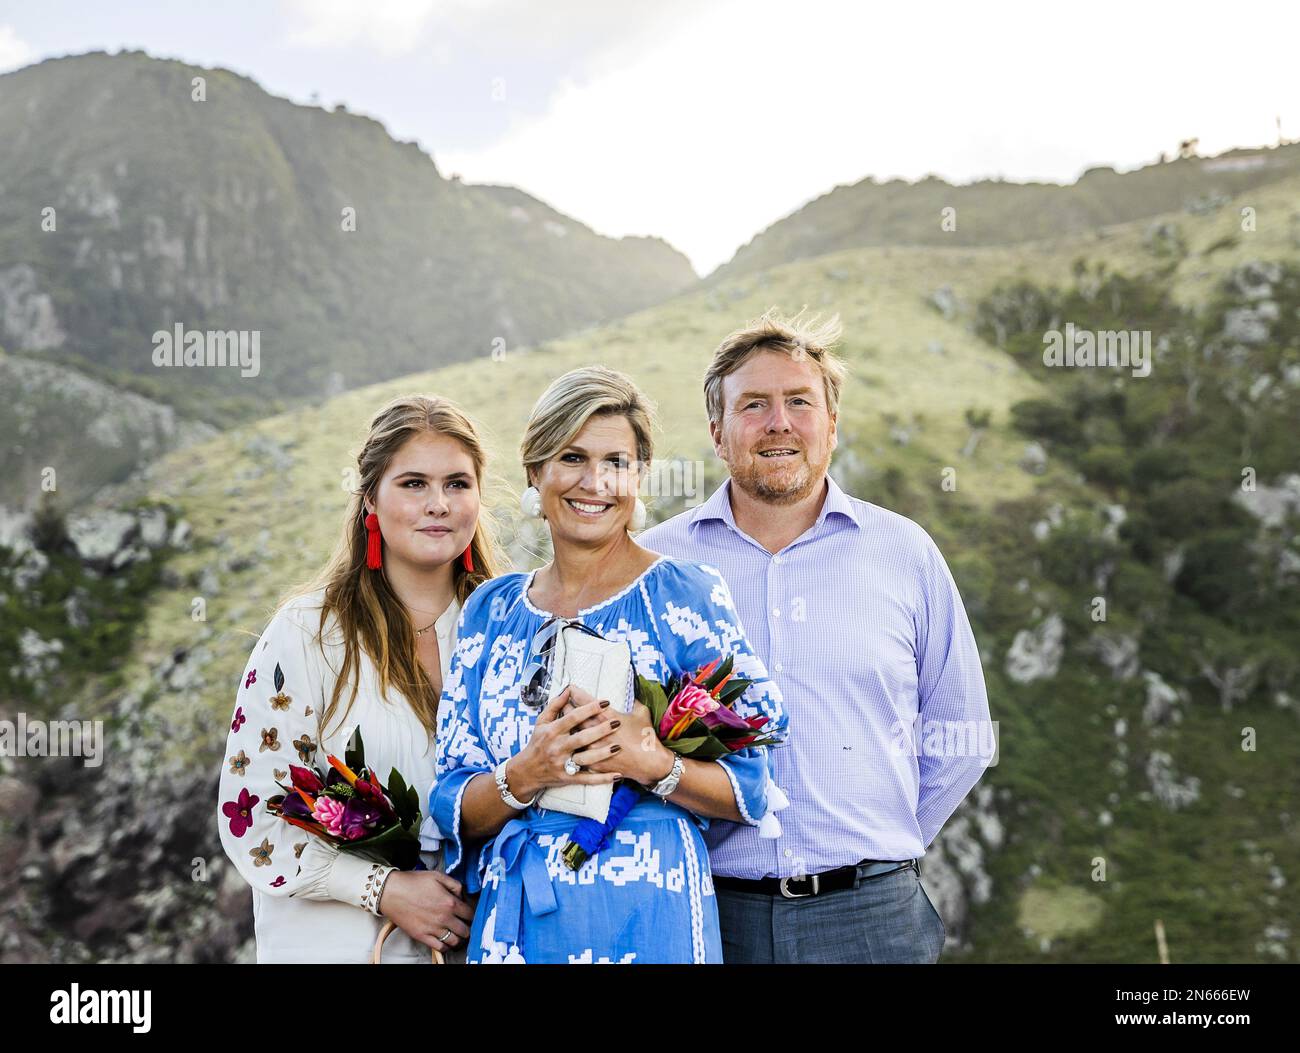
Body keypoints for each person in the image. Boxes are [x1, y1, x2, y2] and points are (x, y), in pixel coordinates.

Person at [638, 309, 994, 964]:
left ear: (831, 423)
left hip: (872, 920)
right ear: (719, 432)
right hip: (710, 914)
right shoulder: (655, 567)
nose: (778, 422)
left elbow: (962, 736)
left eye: (799, 401)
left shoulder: (905, 552)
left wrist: (878, 845)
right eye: (754, 405)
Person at [429, 366, 789, 963]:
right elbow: (451, 802)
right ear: (535, 473)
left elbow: (750, 787)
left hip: (646, 915)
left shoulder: (683, 595)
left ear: (639, 477)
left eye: (616, 462)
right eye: (571, 457)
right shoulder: (491, 610)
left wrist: (653, 763)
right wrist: (528, 772)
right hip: (513, 919)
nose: (594, 483)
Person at [217, 395, 501, 962]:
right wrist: (383, 889)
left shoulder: (507, 629)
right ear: (371, 496)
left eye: (457, 484)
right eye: (414, 484)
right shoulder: (309, 633)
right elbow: (251, 814)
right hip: (340, 944)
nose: (438, 505)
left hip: (482, 944)